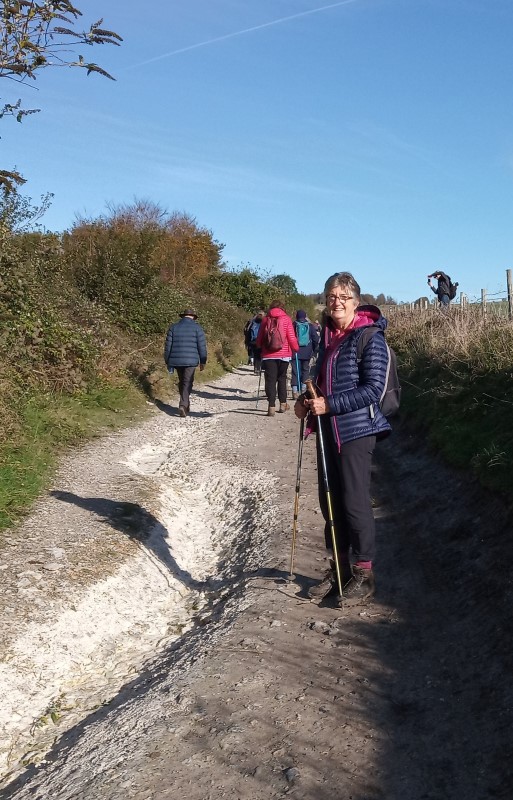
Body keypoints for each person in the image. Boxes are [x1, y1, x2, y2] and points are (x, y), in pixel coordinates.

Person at [294, 272, 391, 606]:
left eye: (344, 297)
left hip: (356, 430)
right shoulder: (327, 337)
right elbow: (319, 380)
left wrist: (329, 404)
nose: (336, 302)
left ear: (356, 301)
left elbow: (373, 390)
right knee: (329, 500)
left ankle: (364, 573)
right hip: (325, 428)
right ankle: (340, 568)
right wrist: (306, 401)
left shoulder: (369, 337)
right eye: (331, 296)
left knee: (354, 500)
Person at [255, 301, 299, 417]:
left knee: (270, 380)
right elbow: (291, 336)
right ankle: (283, 404)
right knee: (281, 378)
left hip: (268, 354)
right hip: (284, 354)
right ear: (282, 308)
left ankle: (271, 407)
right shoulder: (286, 319)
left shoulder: (265, 319)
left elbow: (260, 337)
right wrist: (296, 348)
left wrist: (259, 347)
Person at [164, 309, 207, 417]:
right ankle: (183, 404)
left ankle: (185, 403)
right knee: (187, 382)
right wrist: (203, 361)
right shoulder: (197, 328)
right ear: (193, 317)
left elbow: (168, 347)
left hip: (176, 360)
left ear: (183, 317)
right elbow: (202, 347)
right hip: (191, 361)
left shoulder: (173, 327)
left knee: (182, 380)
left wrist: (168, 360)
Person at [291, 310, 320, 399]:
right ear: (305, 316)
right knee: (305, 370)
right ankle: (303, 389)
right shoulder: (310, 326)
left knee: (295, 371)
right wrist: (314, 349)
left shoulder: (293, 325)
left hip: (295, 352)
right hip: (307, 352)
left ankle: (295, 391)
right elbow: (315, 339)